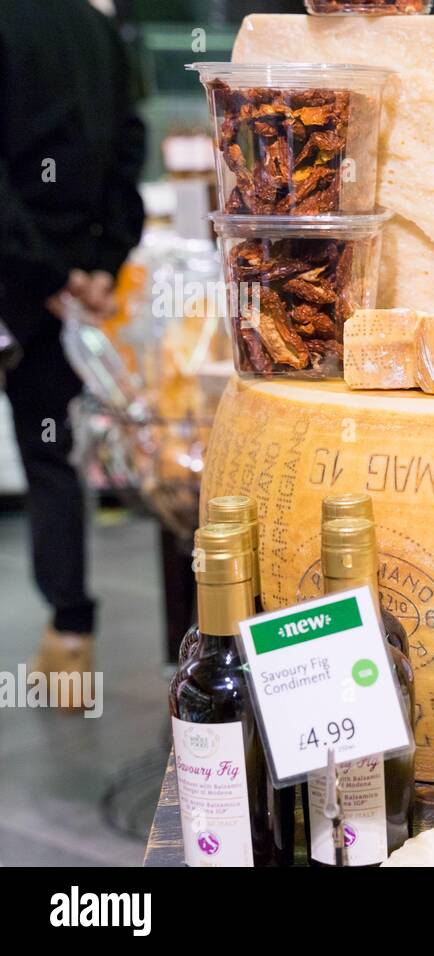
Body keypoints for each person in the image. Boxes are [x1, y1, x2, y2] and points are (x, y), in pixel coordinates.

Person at [0, 0, 145, 687]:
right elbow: (127, 146)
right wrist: (96, 265)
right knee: (51, 456)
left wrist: (46, 270)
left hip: (20, 270)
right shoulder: (96, 29)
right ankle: (70, 635)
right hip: (58, 283)